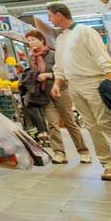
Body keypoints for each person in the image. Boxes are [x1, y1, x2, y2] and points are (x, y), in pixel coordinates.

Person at [48, 3, 111, 184]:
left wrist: (109, 79)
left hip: (94, 83)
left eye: (50, 15)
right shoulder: (61, 39)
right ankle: (109, 166)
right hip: (74, 86)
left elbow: (101, 56)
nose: (48, 19)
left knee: (108, 125)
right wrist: (57, 83)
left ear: (59, 15)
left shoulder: (85, 31)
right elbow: (59, 66)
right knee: (92, 127)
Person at [21, 29, 90, 164]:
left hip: (61, 91)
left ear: (41, 40)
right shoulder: (31, 58)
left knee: (69, 122)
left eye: (33, 40)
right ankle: (59, 153)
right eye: (29, 41)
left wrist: (48, 75)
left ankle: (83, 151)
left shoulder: (54, 54)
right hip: (44, 95)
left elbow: (66, 72)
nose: (31, 43)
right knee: (52, 124)